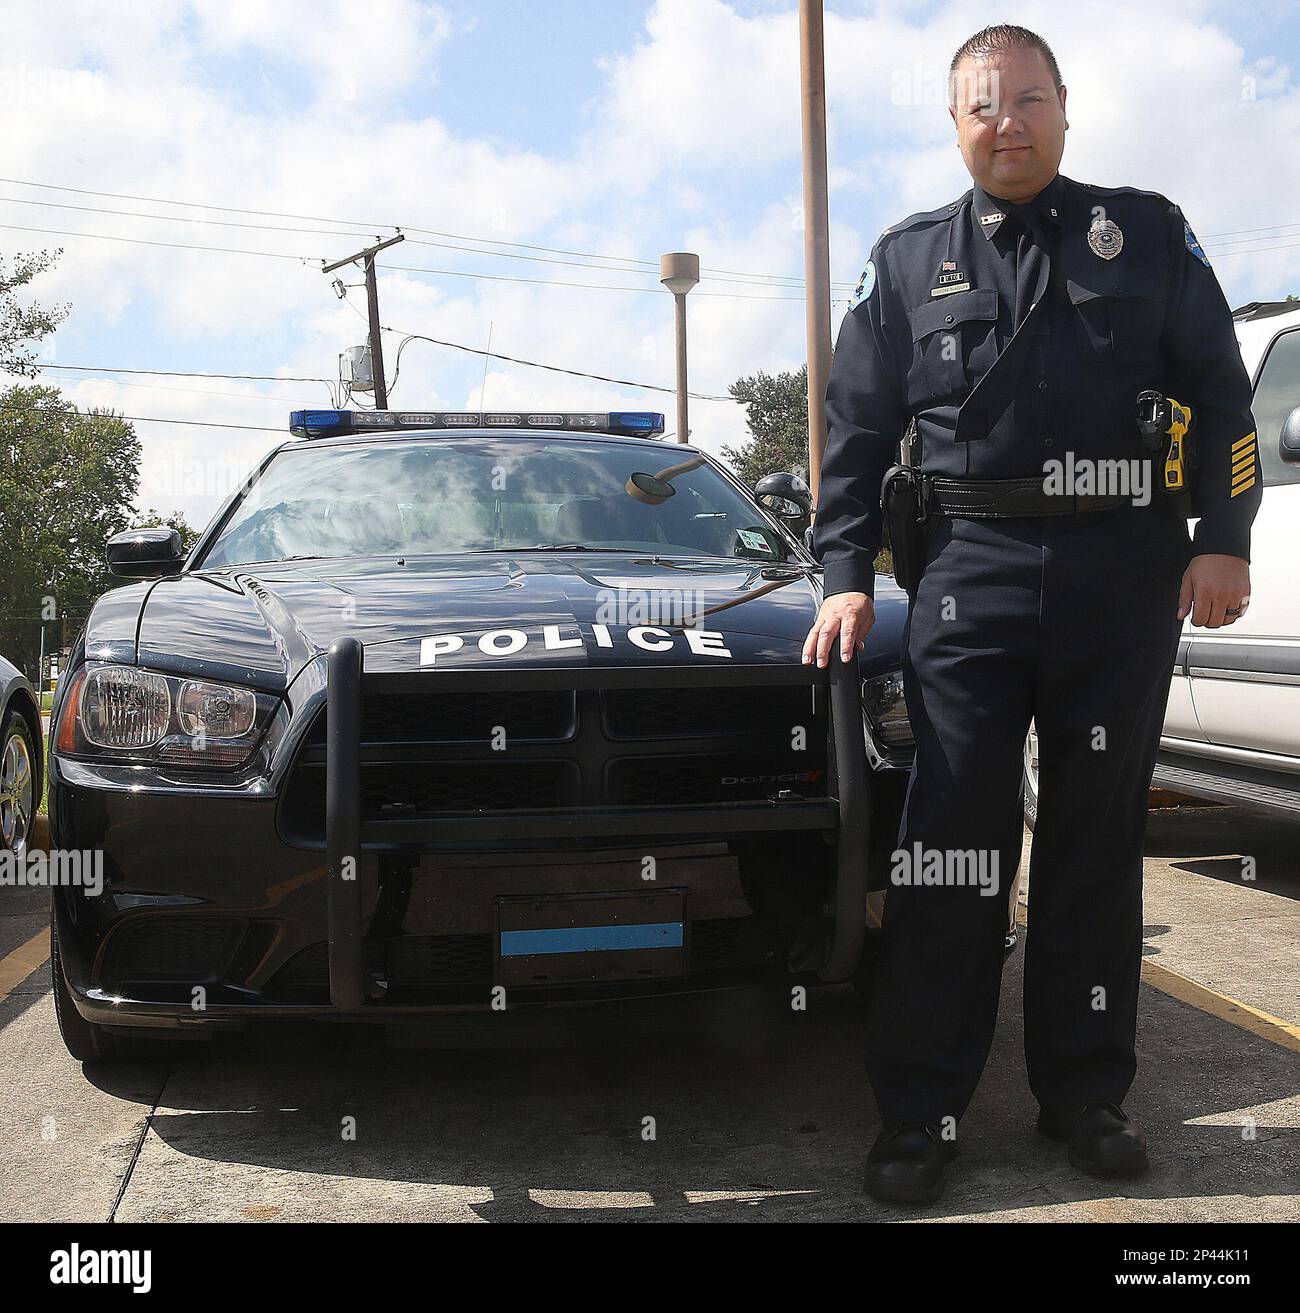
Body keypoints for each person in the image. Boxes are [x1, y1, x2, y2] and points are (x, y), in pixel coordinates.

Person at [803, 23, 1260, 1205]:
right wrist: (845, 569)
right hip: (971, 568)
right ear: (953, 124)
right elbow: (852, 433)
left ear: (1065, 107)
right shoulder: (908, 262)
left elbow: (1221, 396)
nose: (1005, 123)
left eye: (1025, 100)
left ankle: (1086, 1093)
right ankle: (919, 1111)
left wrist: (1222, 540)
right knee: (952, 840)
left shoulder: (1146, 233)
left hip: (1123, 570)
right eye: (980, 108)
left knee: (1095, 841)